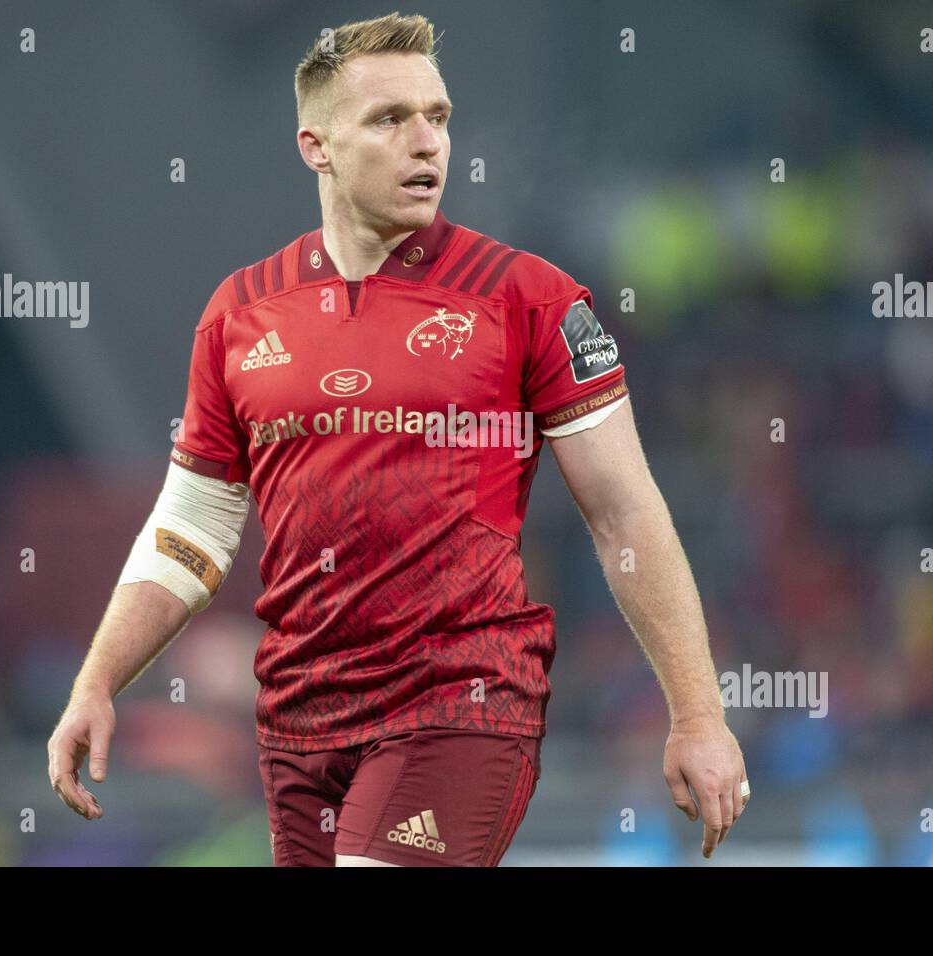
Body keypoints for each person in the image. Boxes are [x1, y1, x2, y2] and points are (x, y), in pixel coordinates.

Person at [47, 11, 748, 867]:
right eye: (390, 119)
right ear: (317, 147)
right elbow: (193, 527)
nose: (426, 142)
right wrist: (97, 681)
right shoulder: (240, 314)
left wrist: (698, 714)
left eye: (438, 117)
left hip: (462, 700)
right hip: (301, 719)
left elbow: (625, 512)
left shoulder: (530, 299)